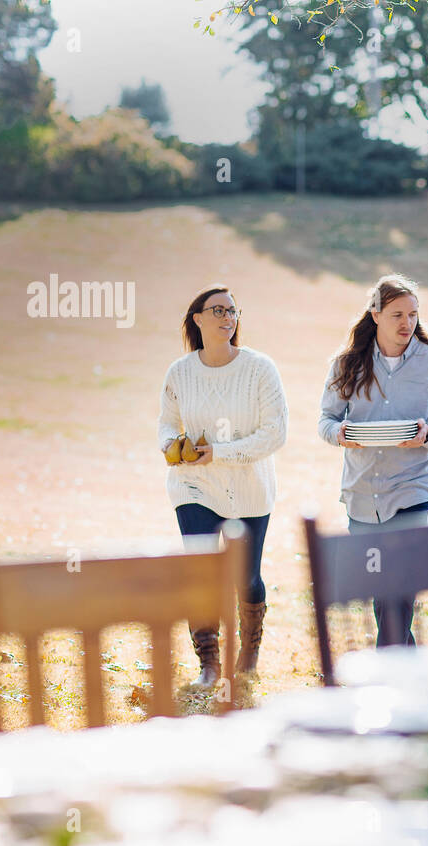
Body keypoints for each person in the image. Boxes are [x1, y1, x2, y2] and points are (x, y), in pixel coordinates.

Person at [158, 284, 288, 686]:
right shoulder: (180, 372)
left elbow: (275, 434)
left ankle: (249, 650)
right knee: (199, 571)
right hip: (193, 484)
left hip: (248, 491)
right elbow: (167, 422)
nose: (227, 318)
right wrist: (170, 445)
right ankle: (209, 663)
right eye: (217, 311)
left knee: (244, 578)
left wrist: (220, 452)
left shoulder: (260, 368)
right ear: (197, 319)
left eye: (232, 311)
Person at [318, 274, 428, 645]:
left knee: (398, 587)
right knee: (382, 590)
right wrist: (340, 434)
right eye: (397, 314)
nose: (406, 323)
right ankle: (402, 660)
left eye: (413, 314)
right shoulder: (346, 365)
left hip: (413, 491)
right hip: (362, 495)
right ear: (375, 314)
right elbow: (326, 421)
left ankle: (391, 663)